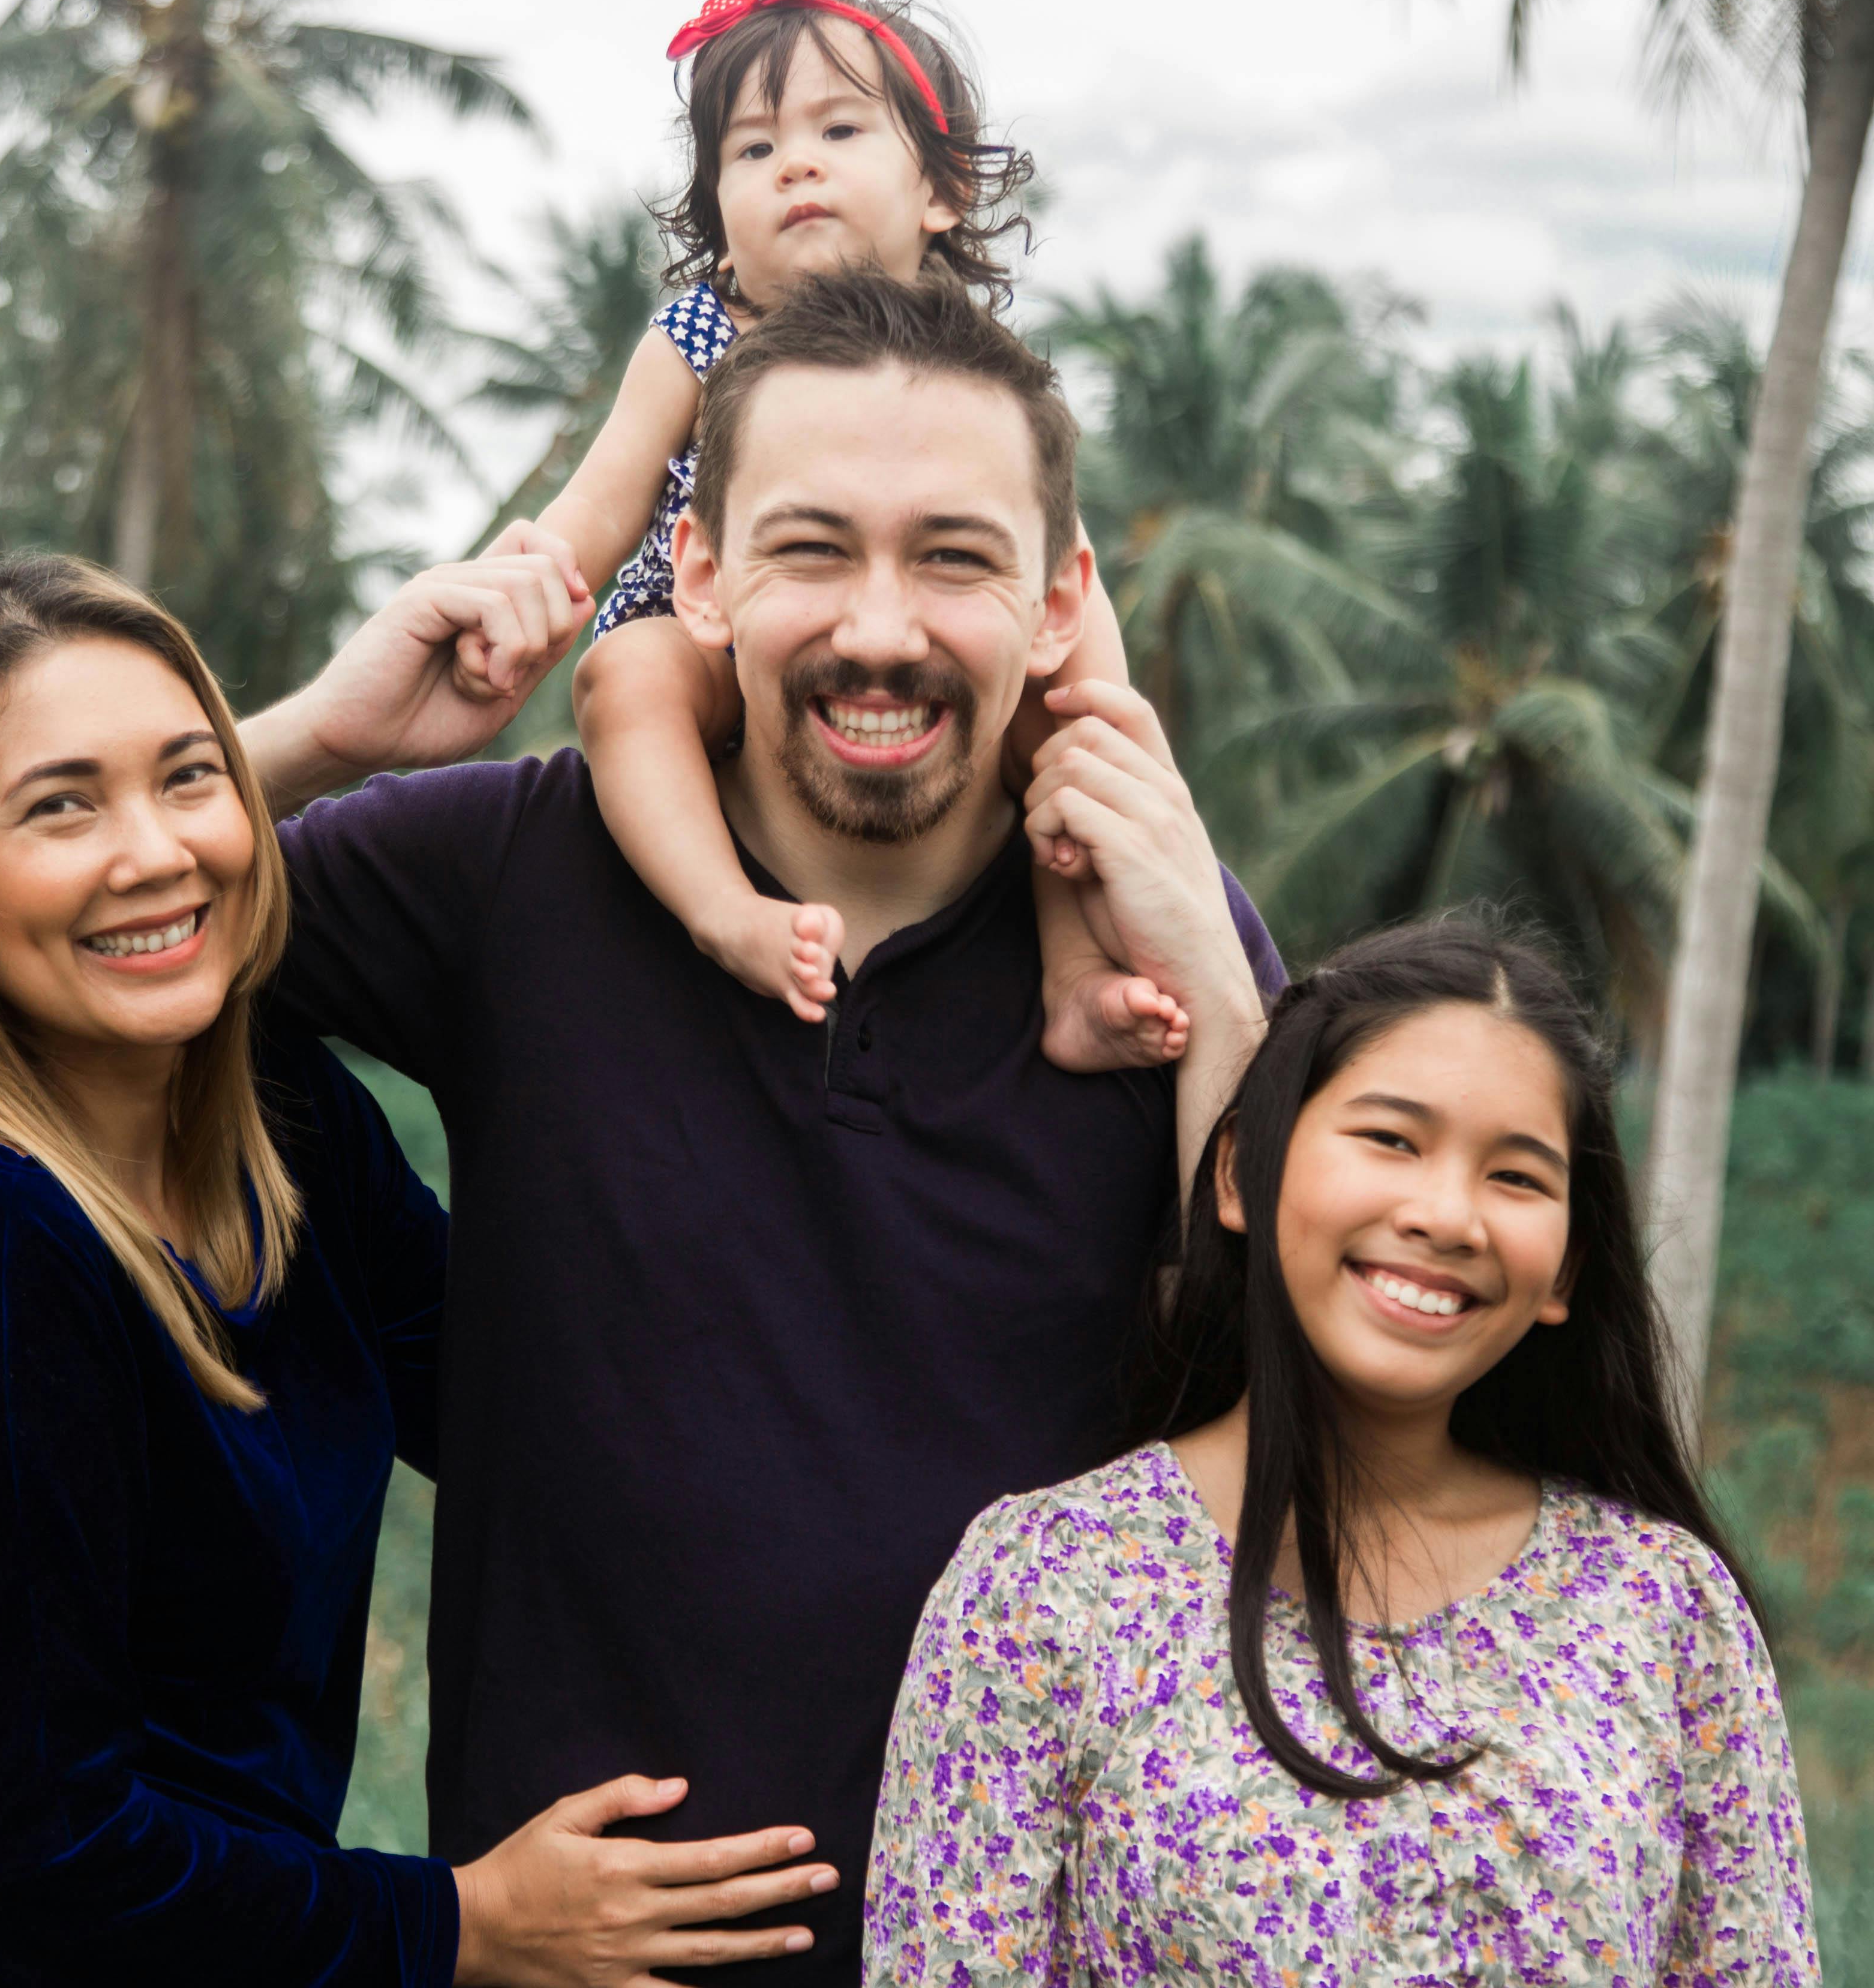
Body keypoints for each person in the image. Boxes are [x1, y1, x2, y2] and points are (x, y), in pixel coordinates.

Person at [238, 266, 1287, 1987]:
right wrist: (317, 741)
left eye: (955, 556)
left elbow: (1293, 1434)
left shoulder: (1157, 938)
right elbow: (43, 939)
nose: (882, 629)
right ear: (705, 574)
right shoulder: (512, 871)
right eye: (813, 549)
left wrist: (1230, 1010)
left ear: (1058, 599)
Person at [0, 556, 834, 1988]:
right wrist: (465, 1925)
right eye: (59, 804)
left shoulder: (278, 1126)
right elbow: (40, 1863)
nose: (150, 852)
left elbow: (530, 1412)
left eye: (189, 777)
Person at [863, 914, 1820, 1985]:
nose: (1448, 1215)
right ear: (1239, 1174)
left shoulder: (1668, 1613)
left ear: (1564, 1273)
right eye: (1391, 1140)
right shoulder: (1040, 1589)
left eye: (1516, 1177)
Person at [515, 0, 1176, 1071]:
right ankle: (723, 910)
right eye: (754, 149)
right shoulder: (692, 335)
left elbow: (1052, 570)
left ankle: (1072, 973)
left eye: (838, 129)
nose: (797, 164)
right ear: (719, 220)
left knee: (1071, 733)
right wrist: (510, 586)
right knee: (624, 683)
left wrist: (1091, 717)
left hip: (930, 637)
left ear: (941, 190)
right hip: (702, 620)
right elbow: (599, 504)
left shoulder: (975, 372)